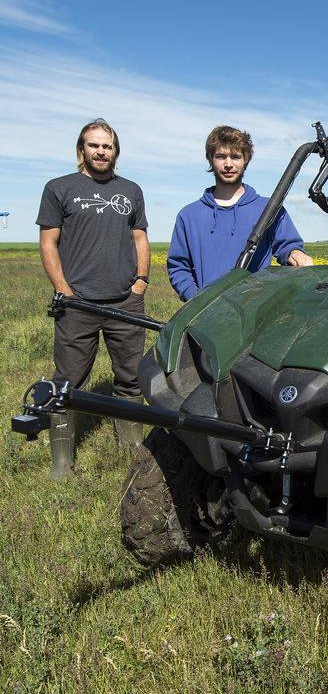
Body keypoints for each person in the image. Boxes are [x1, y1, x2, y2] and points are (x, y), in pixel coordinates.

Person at [37, 118, 150, 479]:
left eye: (108, 146)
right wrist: (63, 290)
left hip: (125, 303)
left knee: (132, 377)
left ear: (116, 151)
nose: (101, 151)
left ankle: (131, 451)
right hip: (77, 303)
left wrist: (141, 282)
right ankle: (61, 464)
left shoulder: (131, 190)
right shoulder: (59, 188)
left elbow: (140, 239)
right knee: (67, 379)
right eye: (94, 145)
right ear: (81, 149)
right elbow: (48, 242)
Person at [167, 125, 312, 301]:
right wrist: (195, 299)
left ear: (246, 160)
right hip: (204, 316)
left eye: (235, 157)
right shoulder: (188, 215)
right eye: (221, 156)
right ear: (210, 159)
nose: (228, 164)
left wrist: (294, 253)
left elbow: (288, 246)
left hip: (254, 313)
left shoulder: (268, 209)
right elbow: (178, 266)